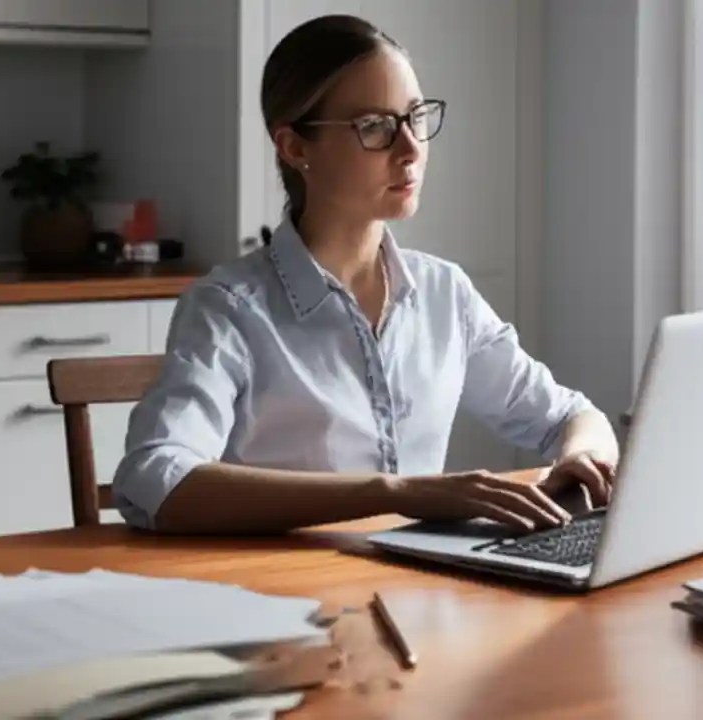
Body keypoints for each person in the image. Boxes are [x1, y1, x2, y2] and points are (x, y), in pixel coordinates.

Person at [112, 15, 619, 534]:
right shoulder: (229, 308)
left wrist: (580, 456)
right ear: (294, 147)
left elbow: (573, 418)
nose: (411, 148)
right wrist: (393, 492)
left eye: (415, 117)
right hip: (283, 598)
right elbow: (157, 478)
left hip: (424, 590)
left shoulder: (444, 294)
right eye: (375, 127)